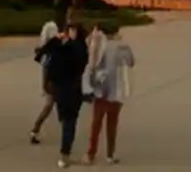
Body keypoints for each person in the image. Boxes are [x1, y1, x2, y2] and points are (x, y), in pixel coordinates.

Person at [35, 21, 89, 168]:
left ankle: (64, 155)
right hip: (74, 90)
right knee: (70, 123)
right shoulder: (81, 48)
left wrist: (56, 40)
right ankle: (65, 155)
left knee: (66, 121)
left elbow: (41, 56)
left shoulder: (61, 49)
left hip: (60, 90)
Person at [85, 21, 135, 165]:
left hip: (103, 91)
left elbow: (95, 67)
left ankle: (91, 153)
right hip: (117, 93)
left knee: (96, 124)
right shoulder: (123, 47)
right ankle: (110, 154)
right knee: (112, 125)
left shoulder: (102, 47)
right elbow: (131, 62)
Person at [29, 9, 65, 144]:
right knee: (54, 106)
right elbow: (46, 69)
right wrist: (45, 85)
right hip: (53, 82)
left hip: (53, 81)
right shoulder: (50, 52)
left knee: (50, 106)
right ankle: (36, 129)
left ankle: (35, 129)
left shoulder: (48, 50)